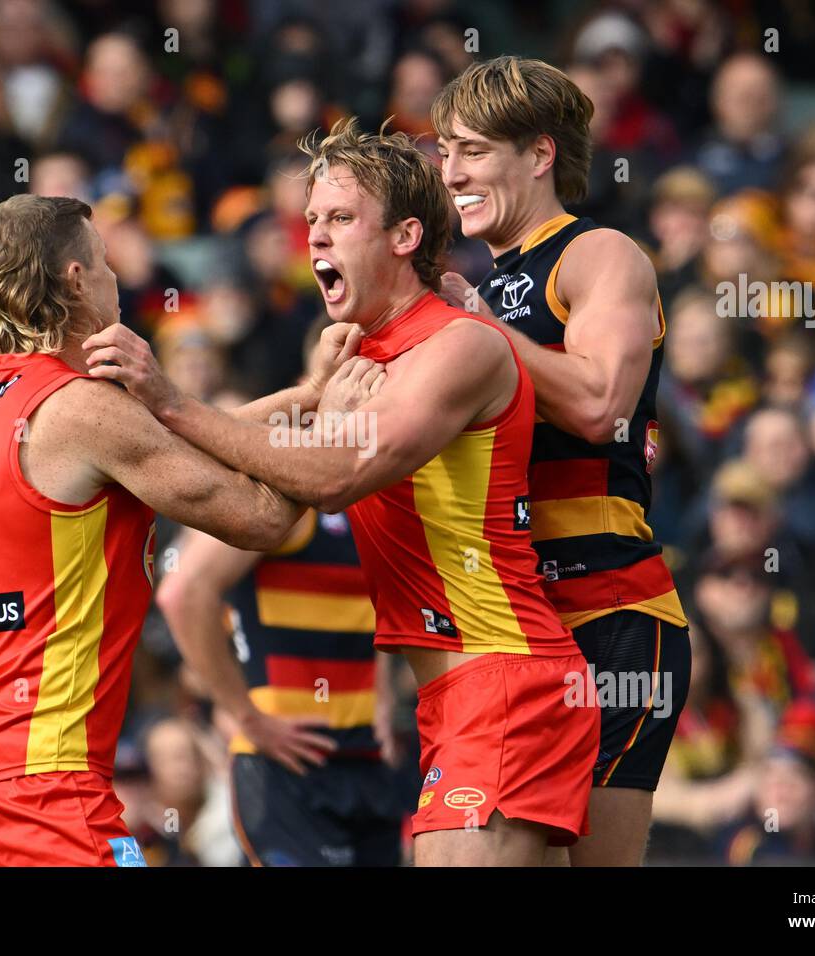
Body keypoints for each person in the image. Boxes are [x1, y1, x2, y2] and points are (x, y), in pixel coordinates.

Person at [80, 119, 598, 866]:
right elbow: (242, 469)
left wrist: (171, 401)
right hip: (457, 698)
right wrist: (301, 393)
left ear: (405, 236)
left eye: (342, 220)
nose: (315, 239)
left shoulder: (460, 346)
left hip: (505, 681)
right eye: (312, 220)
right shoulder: (361, 353)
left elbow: (333, 476)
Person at [0, 193, 323, 867]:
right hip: (44, 784)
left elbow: (185, 440)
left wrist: (311, 394)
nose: (119, 276)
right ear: (76, 280)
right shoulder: (84, 411)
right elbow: (262, 517)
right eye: (107, 261)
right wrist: (345, 433)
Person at [432, 55, 690, 865]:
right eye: (444, 153)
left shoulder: (598, 253)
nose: (451, 173)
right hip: (518, 627)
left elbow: (598, 404)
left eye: (471, 150)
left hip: (613, 615)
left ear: (539, 155)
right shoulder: (482, 286)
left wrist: (478, 333)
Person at [157, 507, 408, 867]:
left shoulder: (373, 504)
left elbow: (380, 605)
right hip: (286, 768)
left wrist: (384, 697)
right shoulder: (278, 504)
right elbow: (182, 594)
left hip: (368, 763)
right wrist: (247, 717)